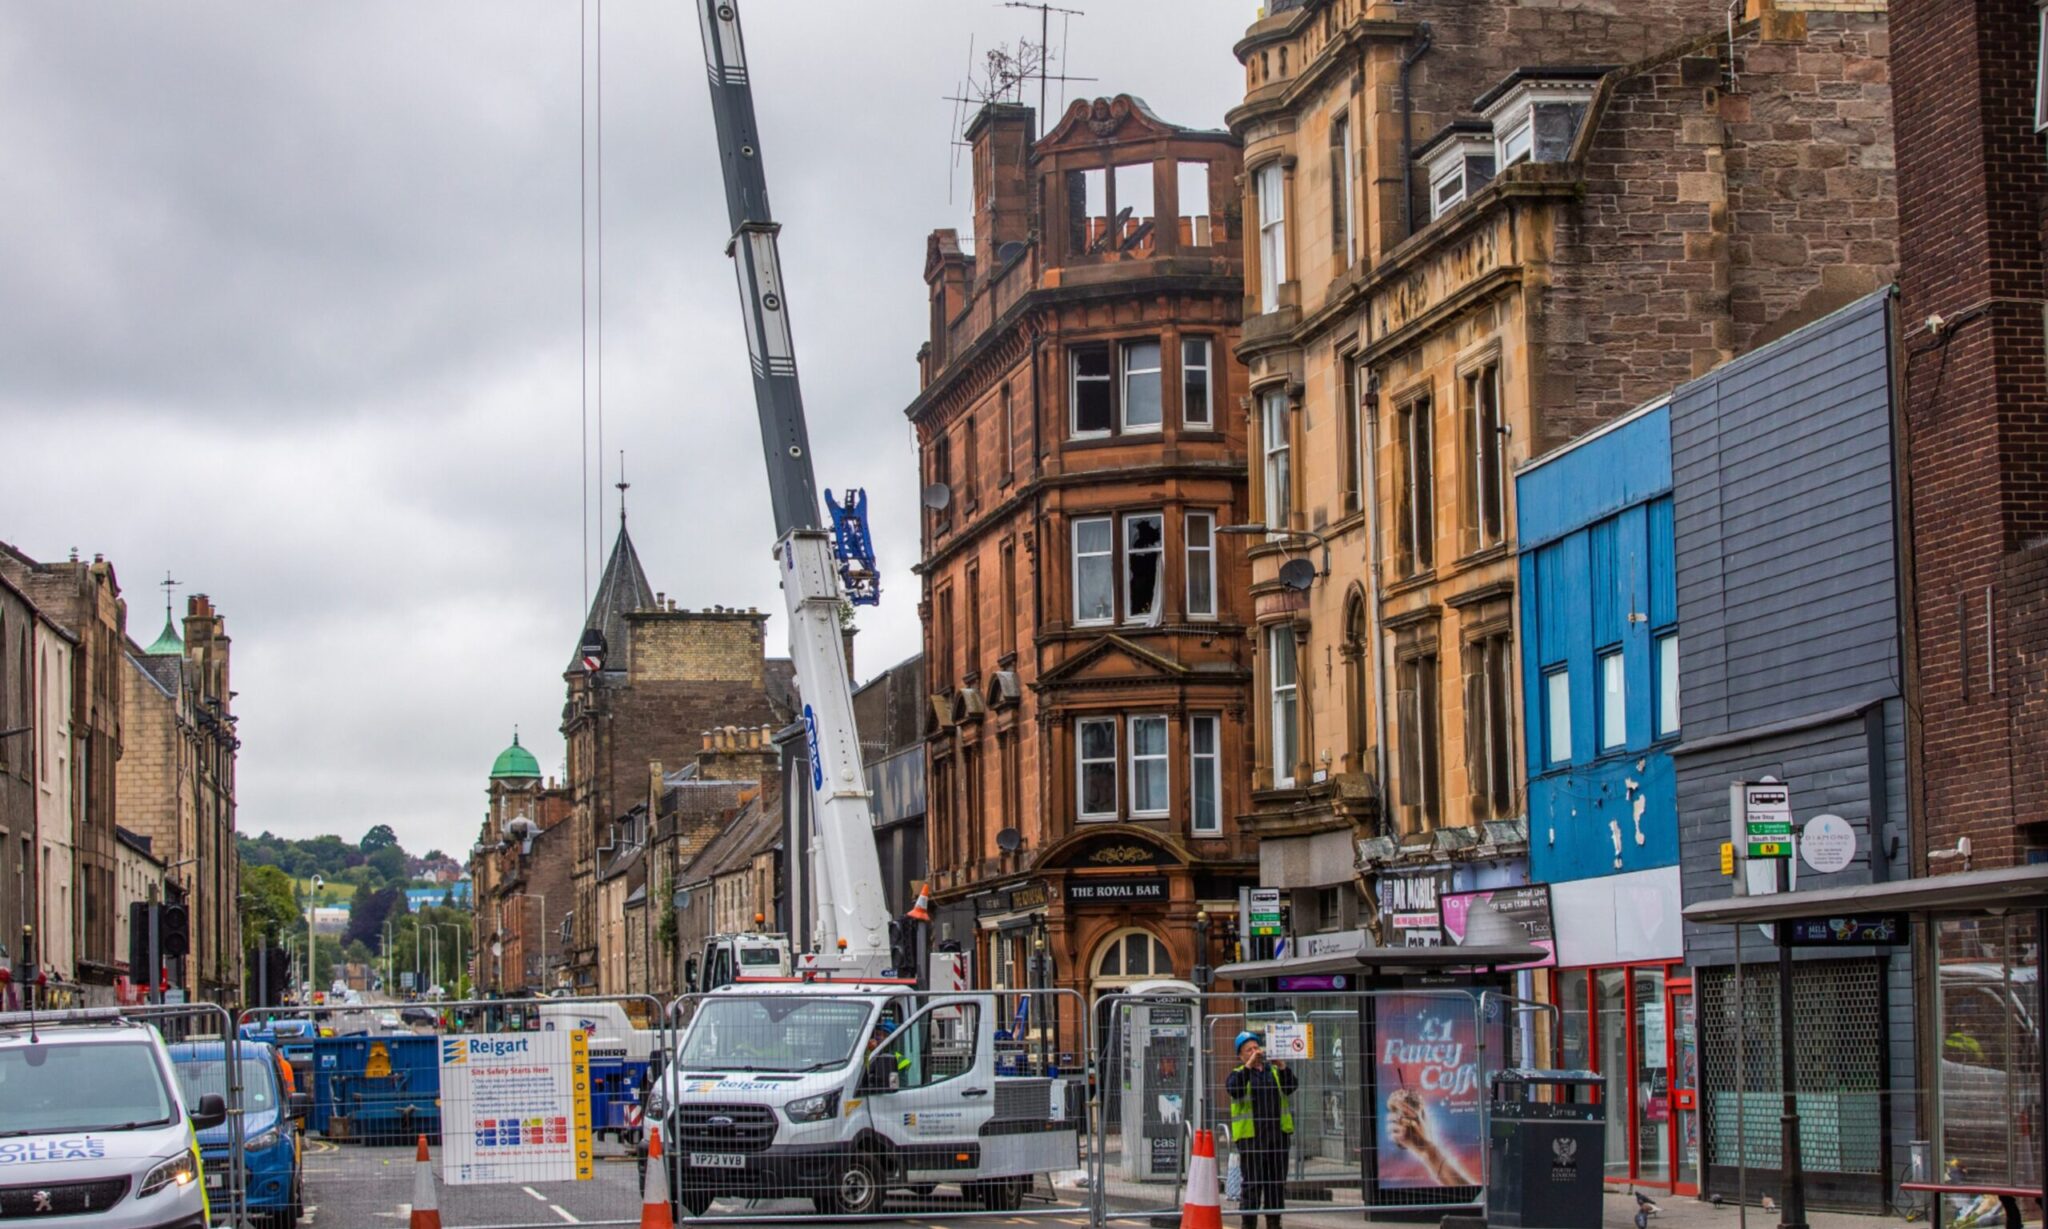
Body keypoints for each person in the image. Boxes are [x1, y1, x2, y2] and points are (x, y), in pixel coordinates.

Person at [1224, 1030, 1297, 1229]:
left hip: (1277, 1138)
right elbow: (1235, 1090)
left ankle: (1274, 1223)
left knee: (1276, 1185)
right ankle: (1249, 1224)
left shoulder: (1273, 1072)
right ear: (1241, 1056)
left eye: (1256, 1047)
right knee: (1252, 1185)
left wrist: (1282, 1066)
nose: (1255, 1052)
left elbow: (1291, 1086)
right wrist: (1249, 1066)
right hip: (1251, 1139)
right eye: (1249, 1050)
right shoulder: (1238, 1074)